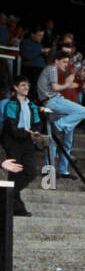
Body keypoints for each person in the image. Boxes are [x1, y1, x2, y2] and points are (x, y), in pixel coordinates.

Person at [0, 76, 45, 216]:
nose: (26, 88)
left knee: (31, 172)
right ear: (16, 87)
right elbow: (11, 127)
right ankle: (17, 207)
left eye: (28, 86)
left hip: (27, 141)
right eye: (23, 85)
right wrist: (28, 134)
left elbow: (37, 123)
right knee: (15, 172)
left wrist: (36, 133)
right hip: (13, 141)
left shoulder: (31, 105)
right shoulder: (11, 104)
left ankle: (8, 199)